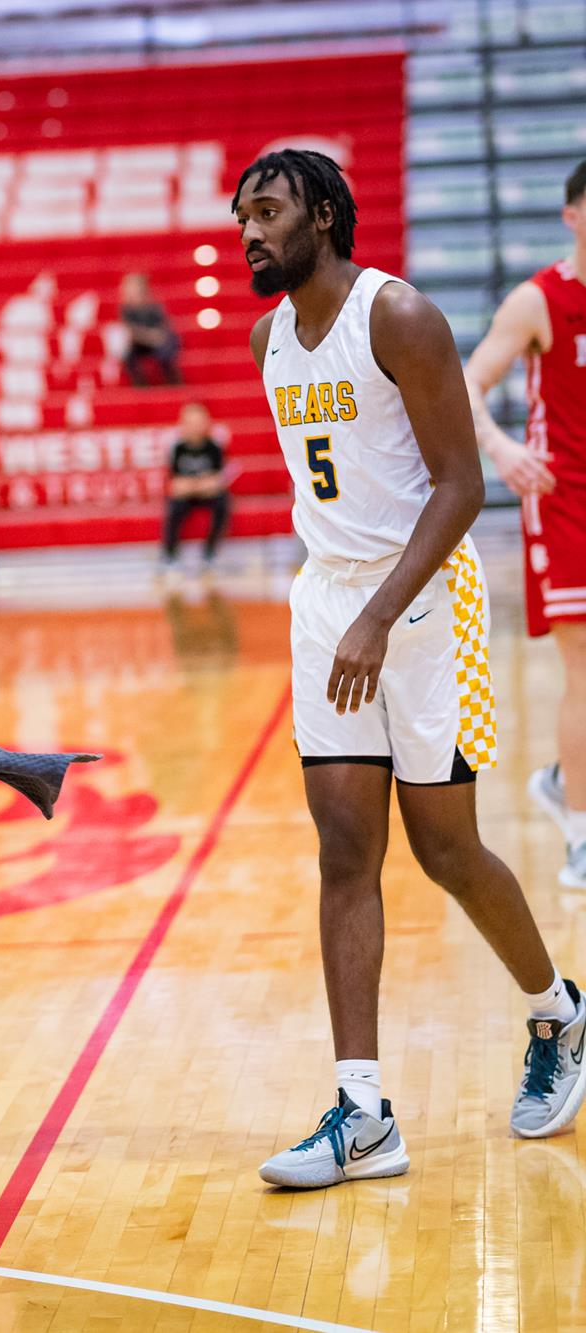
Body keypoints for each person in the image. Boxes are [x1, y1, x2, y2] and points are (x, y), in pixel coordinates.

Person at [233, 149, 584, 1190]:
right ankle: (363, 1111)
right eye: (240, 216)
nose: (248, 232)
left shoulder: (399, 319)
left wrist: (380, 614)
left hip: (424, 599)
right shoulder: (265, 338)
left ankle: (555, 1013)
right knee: (344, 847)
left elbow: (459, 482)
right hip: (328, 599)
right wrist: (343, 609)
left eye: (267, 212)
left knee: (445, 850)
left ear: (326, 218)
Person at [463, 158, 586, 888]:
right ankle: (580, 834)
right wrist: (503, 446)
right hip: (565, 496)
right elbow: (469, 384)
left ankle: (561, 778)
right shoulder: (540, 300)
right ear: (572, 214)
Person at [161, 401, 231, 570]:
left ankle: (210, 553)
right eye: (191, 423)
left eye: (198, 422)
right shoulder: (177, 448)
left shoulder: (214, 447)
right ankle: (170, 555)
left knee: (223, 503)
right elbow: (174, 485)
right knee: (174, 507)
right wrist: (201, 484)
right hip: (187, 496)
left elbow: (218, 481)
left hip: (206, 494)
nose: (195, 428)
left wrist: (193, 485)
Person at [120, 271, 182, 386]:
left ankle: (173, 381)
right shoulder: (127, 310)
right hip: (140, 344)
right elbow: (130, 331)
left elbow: (163, 330)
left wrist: (152, 336)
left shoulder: (154, 307)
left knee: (166, 350)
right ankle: (140, 385)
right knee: (126, 354)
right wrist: (149, 336)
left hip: (157, 343)